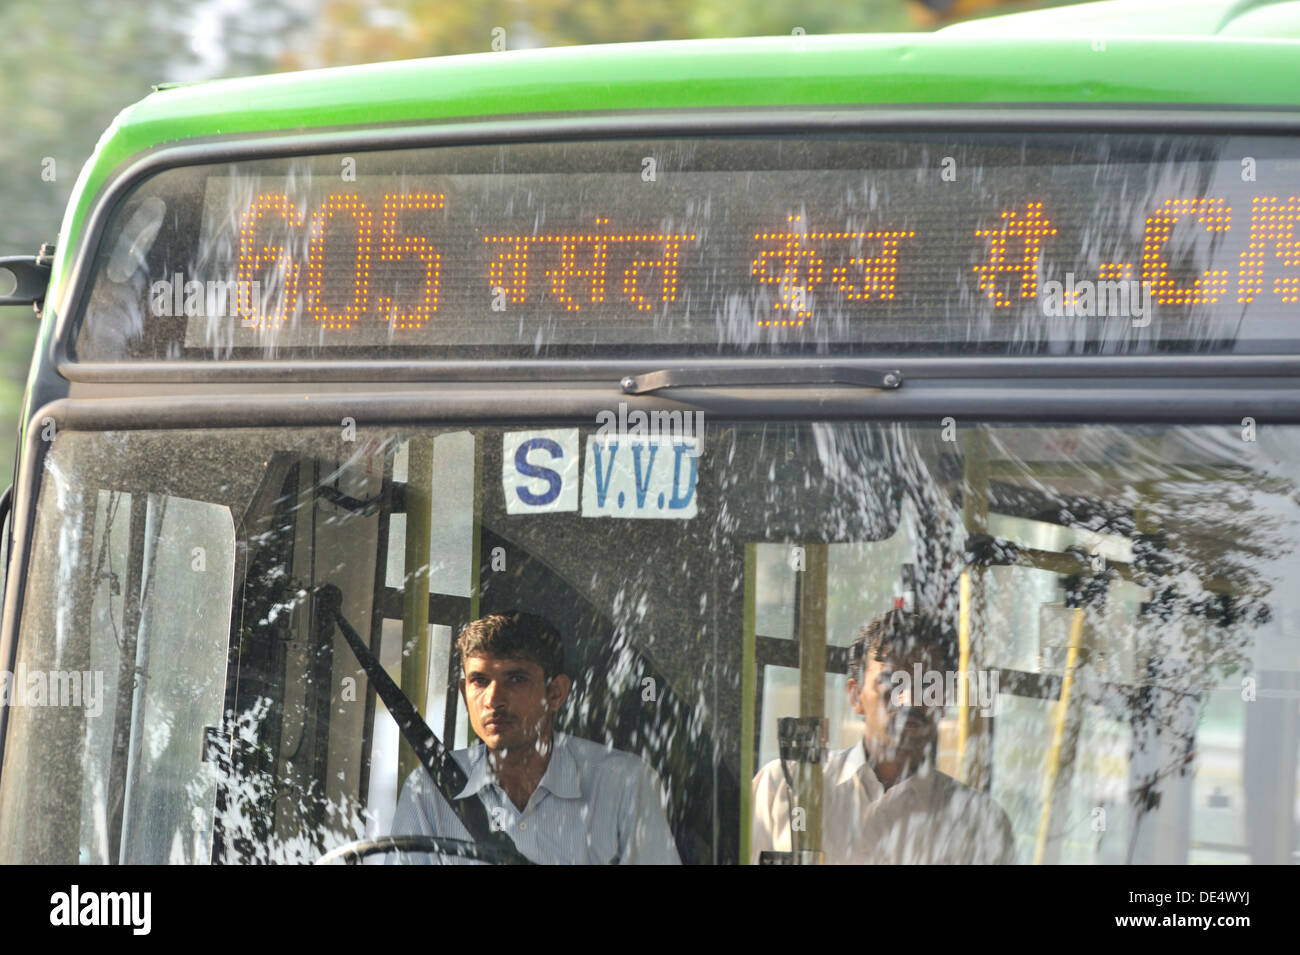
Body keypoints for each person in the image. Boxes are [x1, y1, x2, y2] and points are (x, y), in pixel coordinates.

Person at [391, 610, 681, 864]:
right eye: (479, 681)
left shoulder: (624, 783)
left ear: (555, 693)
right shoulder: (428, 789)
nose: (493, 699)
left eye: (516, 679)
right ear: (464, 694)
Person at [751, 609, 1016, 864]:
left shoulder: (978, 822)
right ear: (856, 696)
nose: (910, 698)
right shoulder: (785, 786)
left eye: (928, 685)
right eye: (893, 682)